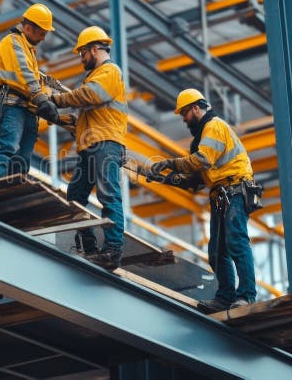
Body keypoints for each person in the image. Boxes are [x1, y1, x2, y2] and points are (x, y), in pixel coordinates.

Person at [149, 88, 258, 312]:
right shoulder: (201, 139)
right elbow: (195, 181)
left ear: (196, 108)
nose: (184, 119)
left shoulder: (214, 127)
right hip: (221, 195)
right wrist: (165, 178)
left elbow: (202, 161)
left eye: (185, 114)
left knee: (236, 242)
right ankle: (226, 297)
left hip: (235, 189)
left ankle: (247, 295)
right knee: (217, 252)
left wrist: (170, 163)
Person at [51, 26, 127, 270]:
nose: (81, 58)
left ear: (95, 49)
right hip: (92, 145)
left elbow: (91, 96)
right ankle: (90, 246)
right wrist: (61, 116)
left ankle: (112, 251)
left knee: (109, 196)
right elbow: (89, 114)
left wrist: (57, 100)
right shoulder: (95, 76)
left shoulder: (109, 71)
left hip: (105, 144)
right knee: (75, 194)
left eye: (83, 52)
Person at [0, 4, 60, 179]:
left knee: (23, 159)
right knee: (9, 148)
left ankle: (12, 189)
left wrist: (48, 103)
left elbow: (32, 80)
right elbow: (24, 74)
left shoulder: (28, 50)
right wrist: (42, 99)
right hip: (13, 106)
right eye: (41, 33)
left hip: (27, 109)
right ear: (27, 28)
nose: (43, 38)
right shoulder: (13, 43)